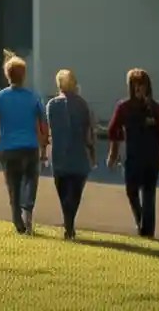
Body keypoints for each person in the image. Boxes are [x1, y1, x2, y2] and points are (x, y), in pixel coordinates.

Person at [0, 53, 49, 235]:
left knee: (13, 185)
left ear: (7, 75)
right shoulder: (34, 97)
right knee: (30, 181)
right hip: (29, 147)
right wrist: (44, 148)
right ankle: (27, 209)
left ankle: (16, 217)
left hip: (8, 149)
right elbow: (43, 126)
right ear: (24, 75)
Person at [106, 68, 159, 238]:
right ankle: (143, 223)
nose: (138, 89)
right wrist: (113, 155)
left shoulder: (154, 108)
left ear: (147, 87)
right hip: (135, 157)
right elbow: (113, 131)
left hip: (147, 158)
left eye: (141, 85)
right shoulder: (125, 107)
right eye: (135, 85)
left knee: (147, 193)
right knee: (134, 191)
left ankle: (146, 230)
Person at [45, 69, 96, 240]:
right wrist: (92, 153)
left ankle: (69, 226)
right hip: (79, 156)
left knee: (64, 195)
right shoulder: (82, 104)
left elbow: (48, 132)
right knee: (74, 195)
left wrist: (44, 152)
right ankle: (69, 226)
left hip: (59, 157)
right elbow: (88, 133)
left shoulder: (51, 105)